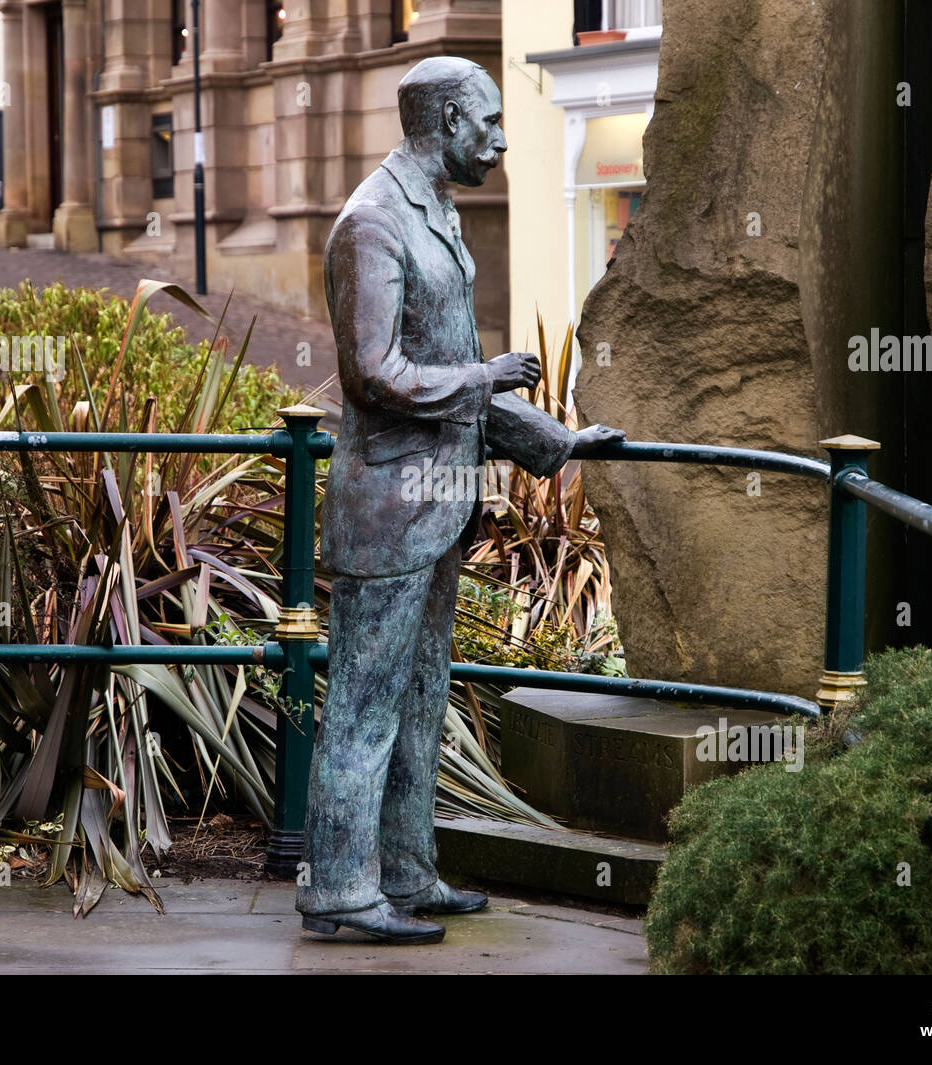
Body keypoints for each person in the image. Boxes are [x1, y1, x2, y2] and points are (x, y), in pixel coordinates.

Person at [297, 56, 626, 945]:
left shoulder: (435, 211)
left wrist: (557, 441)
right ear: (444, 121)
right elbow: (375, 376)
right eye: (486, 122)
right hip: (390, 509)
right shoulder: (372, 222)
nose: (501, 137)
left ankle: (403, 872)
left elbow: (455, 364)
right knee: (366, 705)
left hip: (437, 509)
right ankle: (338, 887)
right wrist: (485, 377)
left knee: (420, 700)